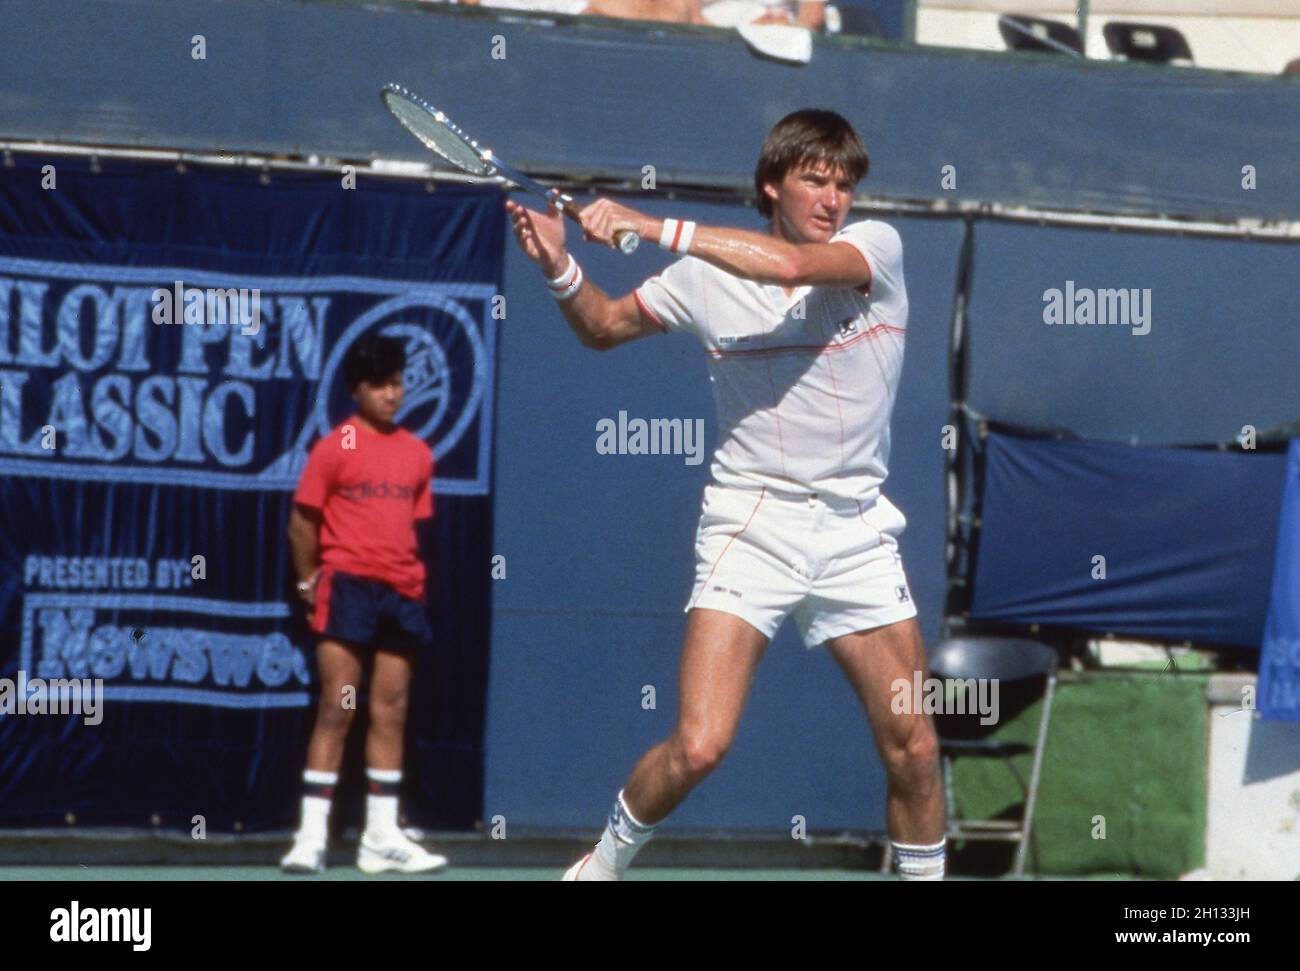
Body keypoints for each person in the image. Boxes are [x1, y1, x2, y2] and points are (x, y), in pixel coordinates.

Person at [506, 108, 946, 881]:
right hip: (751, 521)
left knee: (914, 745)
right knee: (700, 743)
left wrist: (648, 223)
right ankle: (598, 868)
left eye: (843, 183)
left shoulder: (876, 248)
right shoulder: (702, 279)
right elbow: (604, 326)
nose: (832, 197)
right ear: (771, 183)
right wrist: (560, 268)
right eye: (814, 178)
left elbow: (787, 270)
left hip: (855, 530)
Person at [280, 335, 447, 875]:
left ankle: (379, 841)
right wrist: (310, 584)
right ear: (357, 390)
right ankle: (310, 840)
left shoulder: (417, 454)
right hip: (346, 590)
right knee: (340, 705)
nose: (392, 394)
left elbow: (410, 529)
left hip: (401, 594)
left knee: (390, 711)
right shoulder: (336, 447)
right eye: (380, 385)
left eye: (397, 383)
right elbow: (302, 523)